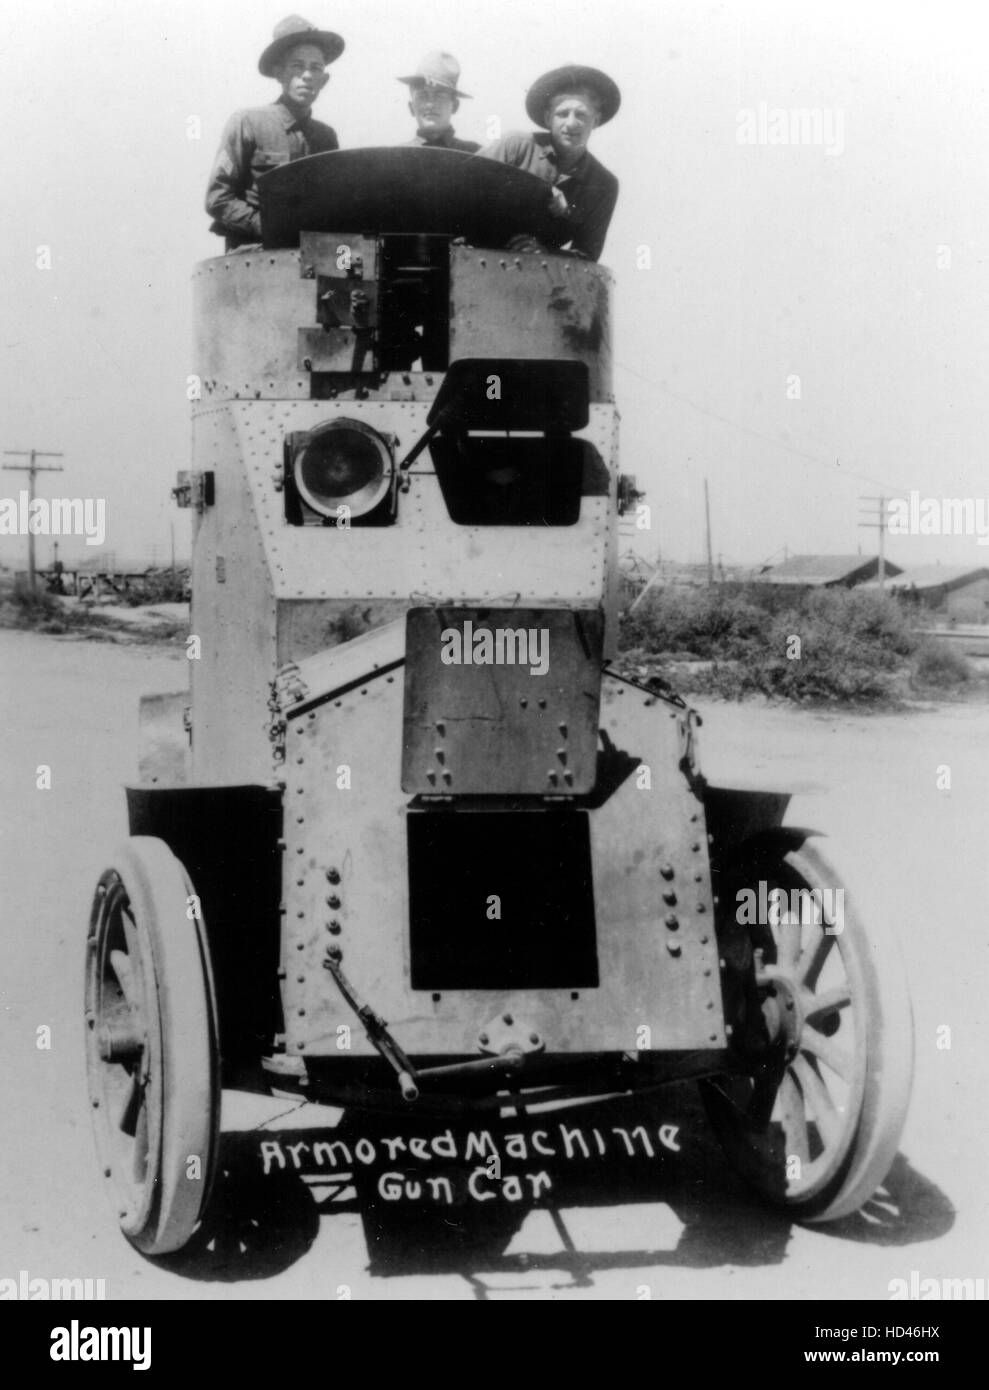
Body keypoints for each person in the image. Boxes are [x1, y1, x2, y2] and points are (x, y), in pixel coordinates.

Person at [205, 15, 345, 250]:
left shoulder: (326, 137)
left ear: (325, 80)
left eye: (316, 68)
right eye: (297, 66)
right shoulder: (247, 122)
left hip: (311, 261)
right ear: (279, 73)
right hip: (254, 258)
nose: (307, 76)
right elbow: (218, 198)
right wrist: (269, 228)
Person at [477, 64, 620, 262]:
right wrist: (535, 190)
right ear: (547, 118)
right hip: (476, 259)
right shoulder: (515, 147)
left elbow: (587, 255)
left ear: (596, 120)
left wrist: (546, 253)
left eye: (581, 115)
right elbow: (461, 184)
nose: (571, 123)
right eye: (562, 114)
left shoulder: (604, 185)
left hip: (542, 280)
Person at [398, 52, 479, 152]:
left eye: (440, 97)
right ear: (411, 108)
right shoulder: (397, 157)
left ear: (455, 106)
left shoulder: (476, 155)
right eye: (422, 96)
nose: (430, 104)